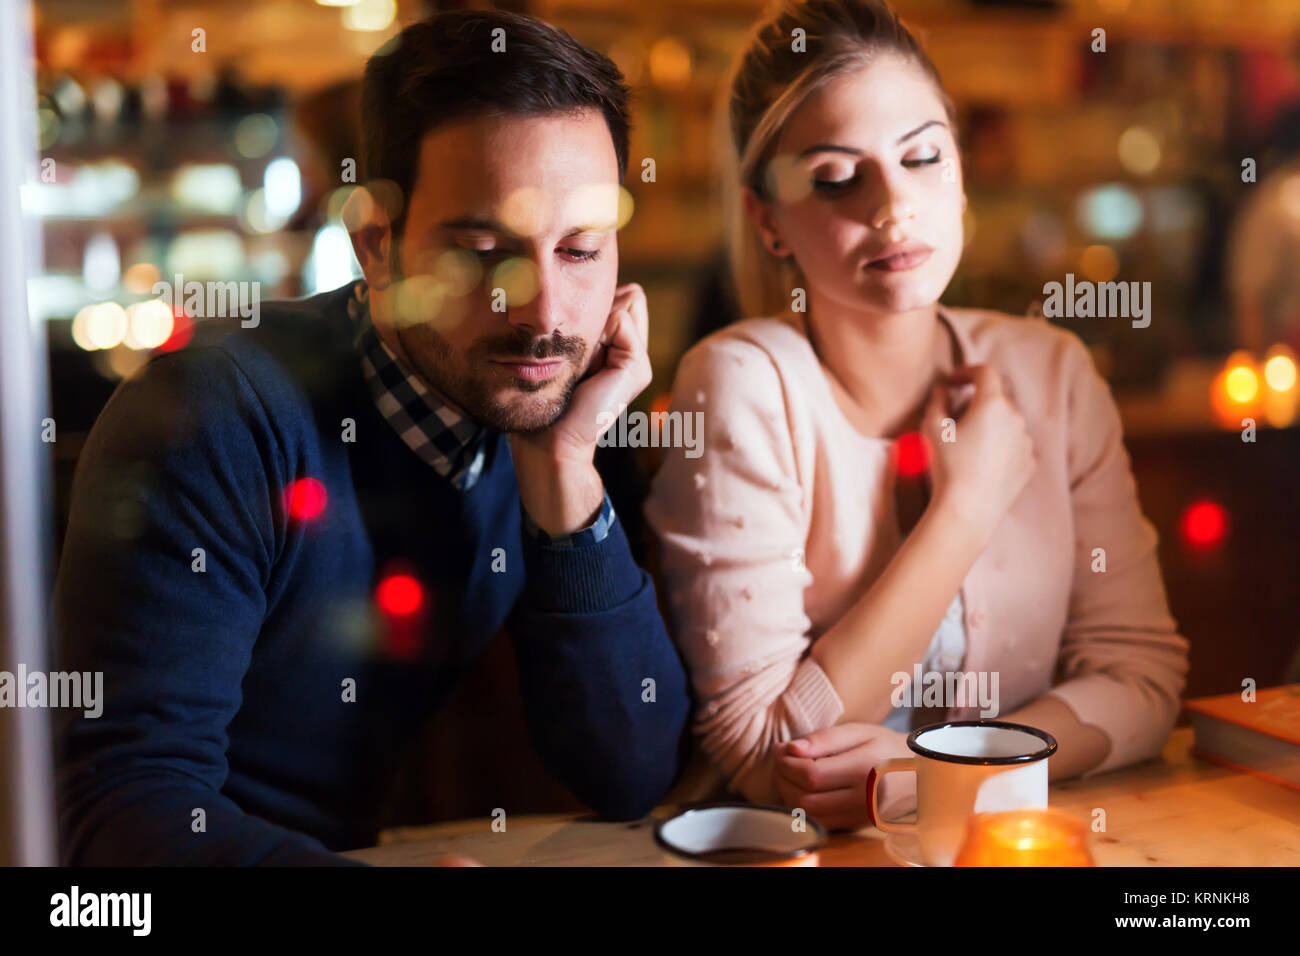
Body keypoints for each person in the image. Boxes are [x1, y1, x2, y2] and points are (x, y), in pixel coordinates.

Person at [52, 10, 689, 865]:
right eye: (482, 253)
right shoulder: (213, 420)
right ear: (377, 246)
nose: (543, 312)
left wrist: (564, 465)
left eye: (580, 250)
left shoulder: (552, 407)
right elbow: (118, 809)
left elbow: (633, 770)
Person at [645, 0, 1189, 830]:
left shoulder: (1054, 374)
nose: (894, 207)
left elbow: (1143, 679)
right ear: (768, 220)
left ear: (961, 170)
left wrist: (937, 775)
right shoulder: (742, 386)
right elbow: (761, 756)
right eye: (836, 177)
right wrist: (966, 508)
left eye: (923, 157)